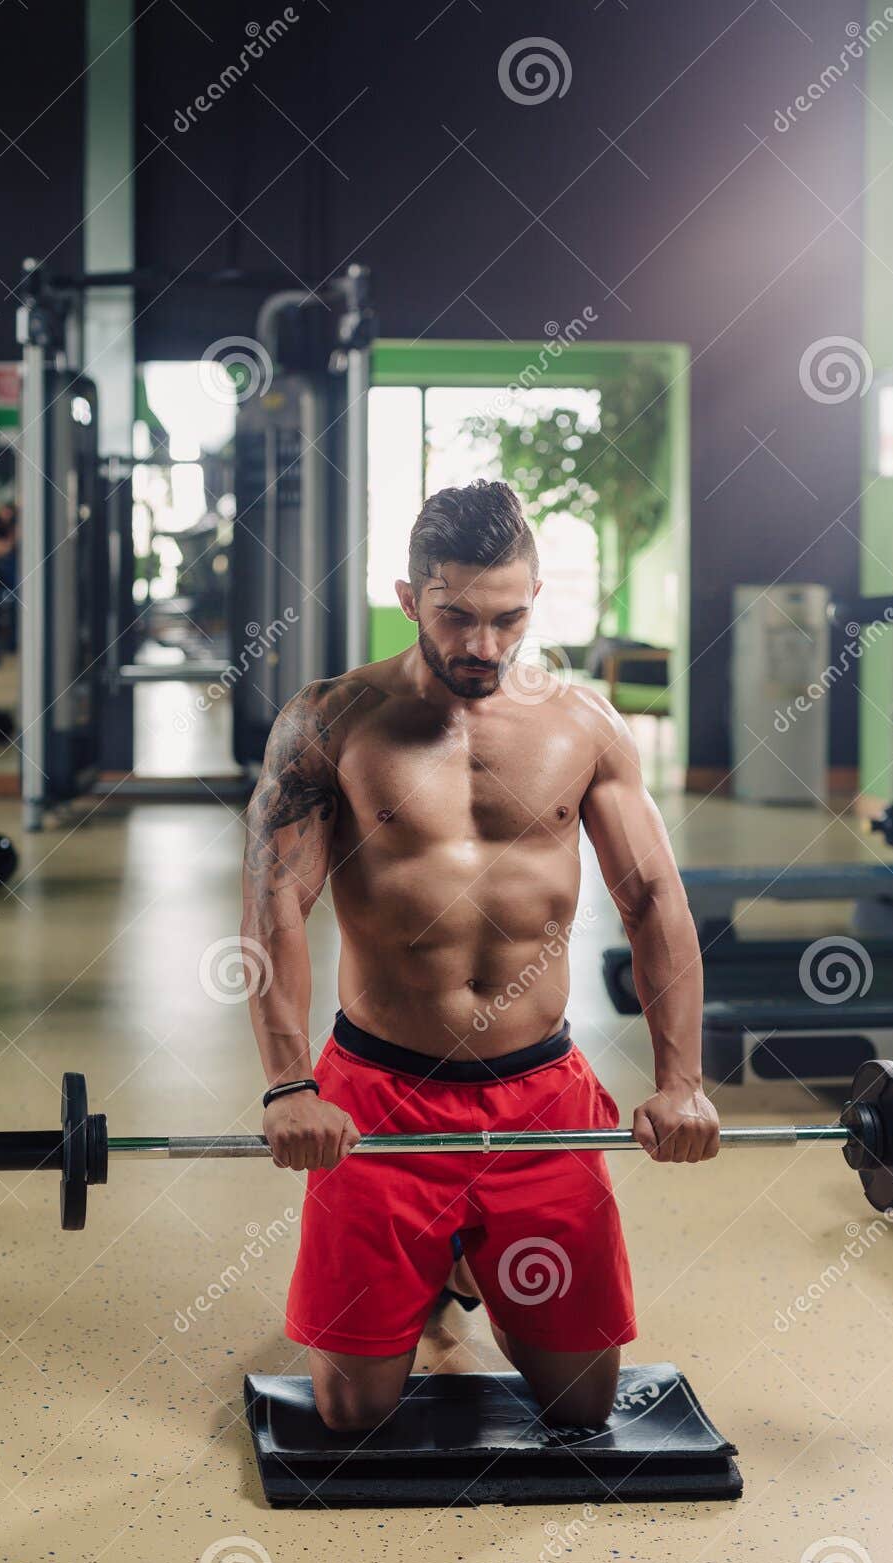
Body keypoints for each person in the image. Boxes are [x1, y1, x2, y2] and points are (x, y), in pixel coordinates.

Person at [241, 479, 719, 1434]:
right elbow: (275, 902)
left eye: (508, 618)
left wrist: (681, 1082)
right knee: (351, 1415)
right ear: (408, 598)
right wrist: (289, 1086)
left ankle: (459, 1257)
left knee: (582, 1406)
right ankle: (434, 1268)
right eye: (455, 615)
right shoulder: (330, 719)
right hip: (380, 1096)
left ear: (535, 597)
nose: (484, 646)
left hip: (538, 1095)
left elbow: (652, 899)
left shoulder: (583, 725)